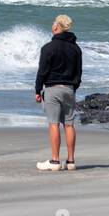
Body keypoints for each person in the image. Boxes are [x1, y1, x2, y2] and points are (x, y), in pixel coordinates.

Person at [34, 14, 83, 171]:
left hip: (53, 89)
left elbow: (42, 72)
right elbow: (78, 72)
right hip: (69, 89)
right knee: (69, 124)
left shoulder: (48, 48)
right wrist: (73, 87)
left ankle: (55, 161)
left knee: (53, 124)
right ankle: (71, 161)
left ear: (56, 27)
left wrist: (37, 89)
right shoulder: (76, 49)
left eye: (53, 24)